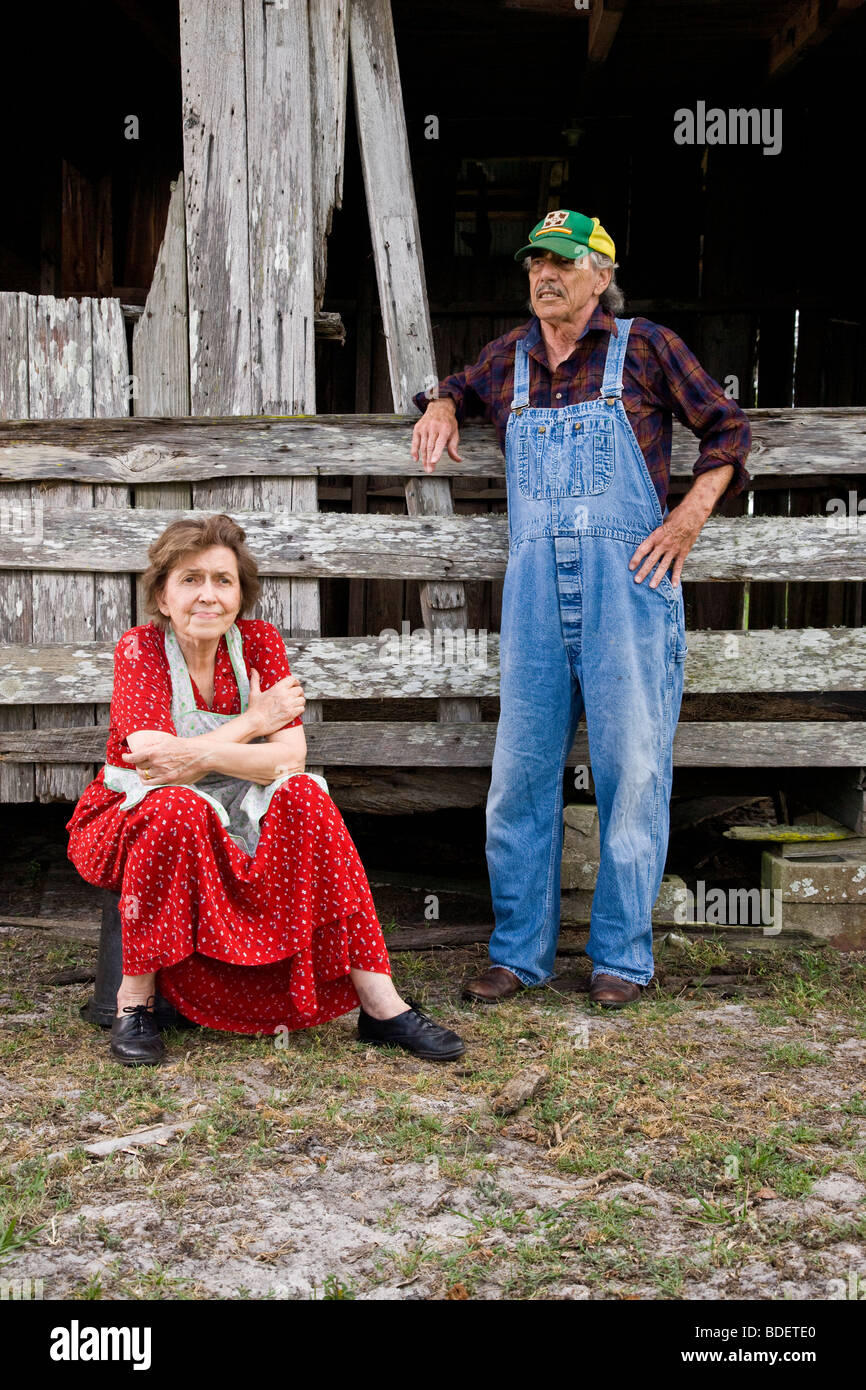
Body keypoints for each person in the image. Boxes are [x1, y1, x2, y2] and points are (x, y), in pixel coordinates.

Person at [411, 209, 751, 1009]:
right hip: (533, 597)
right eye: (535, 262)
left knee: (631, 773)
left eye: (561, 262)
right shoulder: (510, 358)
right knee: (520, 776)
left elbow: (728, 430)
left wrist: (686, 519)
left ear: (601, 272)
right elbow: (455, 384)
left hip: (628, 586)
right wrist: (443, 406)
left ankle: (621, 959)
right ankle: (518, 954)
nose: (544, 275)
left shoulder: (647, 346)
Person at [65, 513, 465, 1065]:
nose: (208, 595)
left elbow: (291, 757)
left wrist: (202, 754)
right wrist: (255, 722)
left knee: (307, 795)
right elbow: (155, 765)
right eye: (190, 579)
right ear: (162, 595)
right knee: (177, 806)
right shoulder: (140, 649)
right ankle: (134, 1002)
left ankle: (381, 1005)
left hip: (242, 799)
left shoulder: (258, 642)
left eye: (223, 581)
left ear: (239, 594)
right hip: (138, 812)